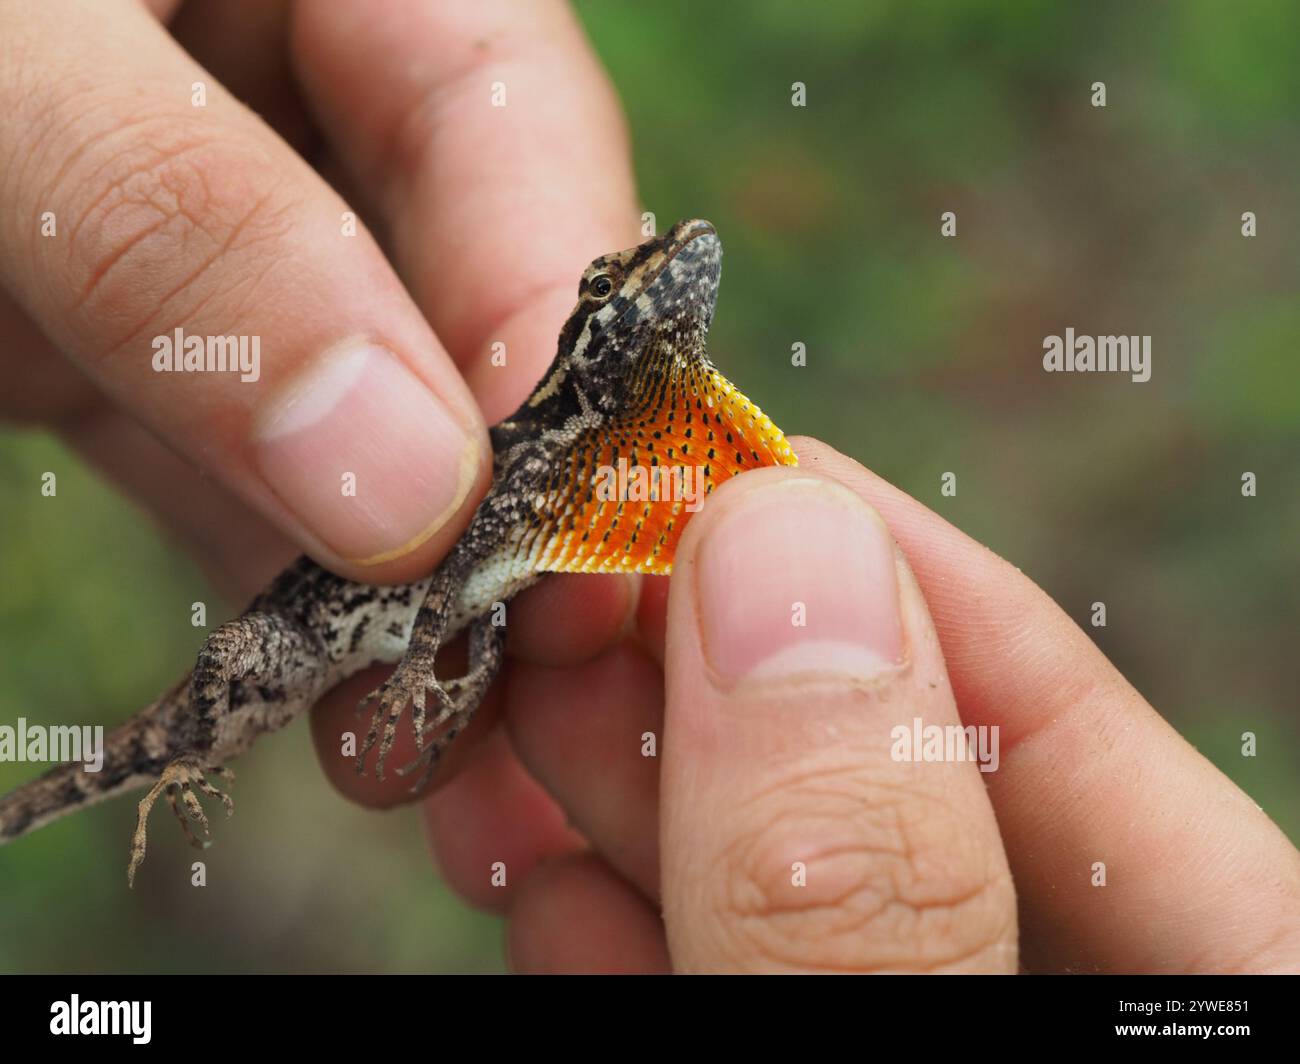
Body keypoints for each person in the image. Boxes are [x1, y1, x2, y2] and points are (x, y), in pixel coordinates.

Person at [1, 0, 1295, 973]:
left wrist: (452, 651)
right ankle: (119, 782)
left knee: (195, 740)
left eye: (657, 266)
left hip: (377, 618)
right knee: (178, 738)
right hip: (308, 621)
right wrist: (439, 654)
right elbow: (463, 585)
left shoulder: (571, 461)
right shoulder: (534, 456)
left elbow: (478, 600)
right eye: (631, 277)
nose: (671, 271)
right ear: (599, 336)